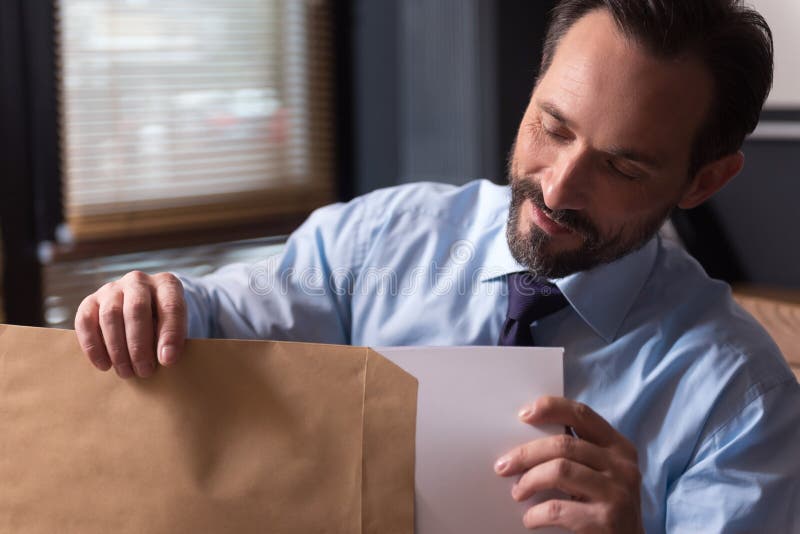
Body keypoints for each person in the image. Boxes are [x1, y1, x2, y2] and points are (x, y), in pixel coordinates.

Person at [75, 0, 800, 532]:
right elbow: (224, 314)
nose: (557, 188)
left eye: (621, 166)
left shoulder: (743, 404)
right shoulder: (376, 241)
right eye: (552, 127)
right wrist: (157, 300)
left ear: (703, 182)